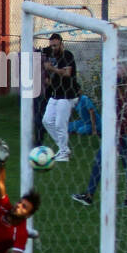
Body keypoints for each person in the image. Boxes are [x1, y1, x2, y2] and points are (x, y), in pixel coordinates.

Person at [72, 64, 127, 208]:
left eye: (118, 79)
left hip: (124, 134)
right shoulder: (113, 93)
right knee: (100, 162)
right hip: (112, 134)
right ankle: (89, 195)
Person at [40, 33, 79, 161]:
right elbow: (54, 78)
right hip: (56, 94)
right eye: (51, 46)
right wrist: (48, 80)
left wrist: (51, 68)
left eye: (55, 45)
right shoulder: (51, 57)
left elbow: (67, 73)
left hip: (67, 95)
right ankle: (64, 149)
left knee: (59, 124)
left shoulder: (67, 55)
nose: (53, 48)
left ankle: (63, 153)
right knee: (46, 121)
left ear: (61, 44)